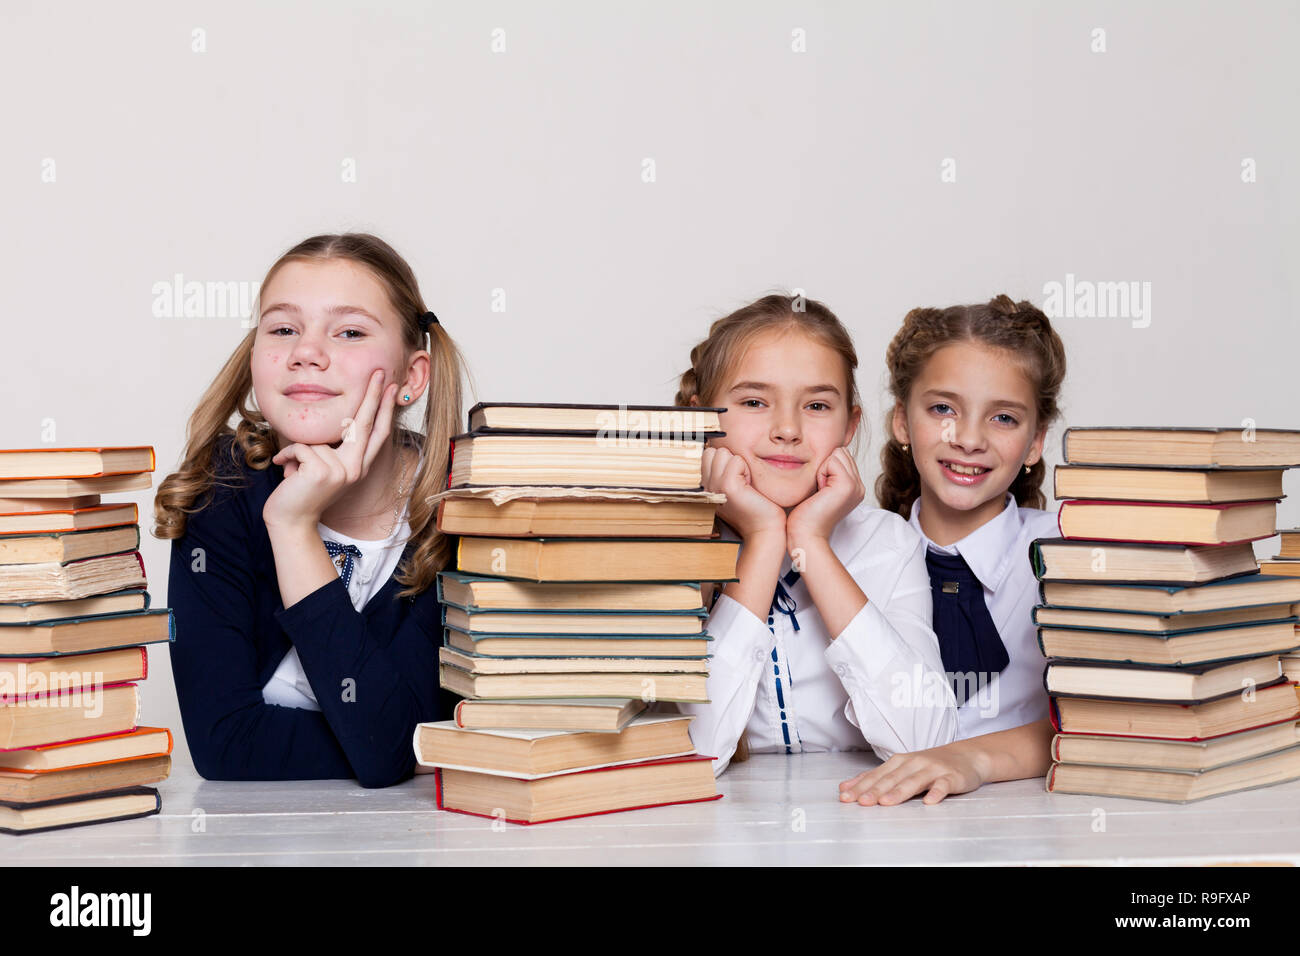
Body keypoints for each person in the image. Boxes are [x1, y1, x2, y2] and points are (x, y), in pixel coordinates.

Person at [153, 233, 467, 787]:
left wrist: (297, 531)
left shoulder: (458, 508)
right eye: (283, 329)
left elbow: (389, 751)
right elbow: (223, 745)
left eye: (349, 332)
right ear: (256, 359)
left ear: (411, 378)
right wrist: (290, 522)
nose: (306, 352)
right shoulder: (220, 492)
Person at [673, 293, 957, 776]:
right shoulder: (661, 545)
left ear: (850, 425)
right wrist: (763, 541)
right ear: (702, 418)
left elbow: (924, 741)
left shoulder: (888, 543)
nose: (787, 429)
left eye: (818, 405)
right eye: (754, 401)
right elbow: (694, 757)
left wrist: (812, 543)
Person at [839, 294, 1067, 806]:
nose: (967, 438)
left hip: (1038, 825)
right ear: (902, 421)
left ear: (1035, 442)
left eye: (1004, 418)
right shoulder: (848, 559)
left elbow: (1113, 718)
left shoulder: (1068, 555)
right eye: (943, 409)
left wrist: (974, 757)